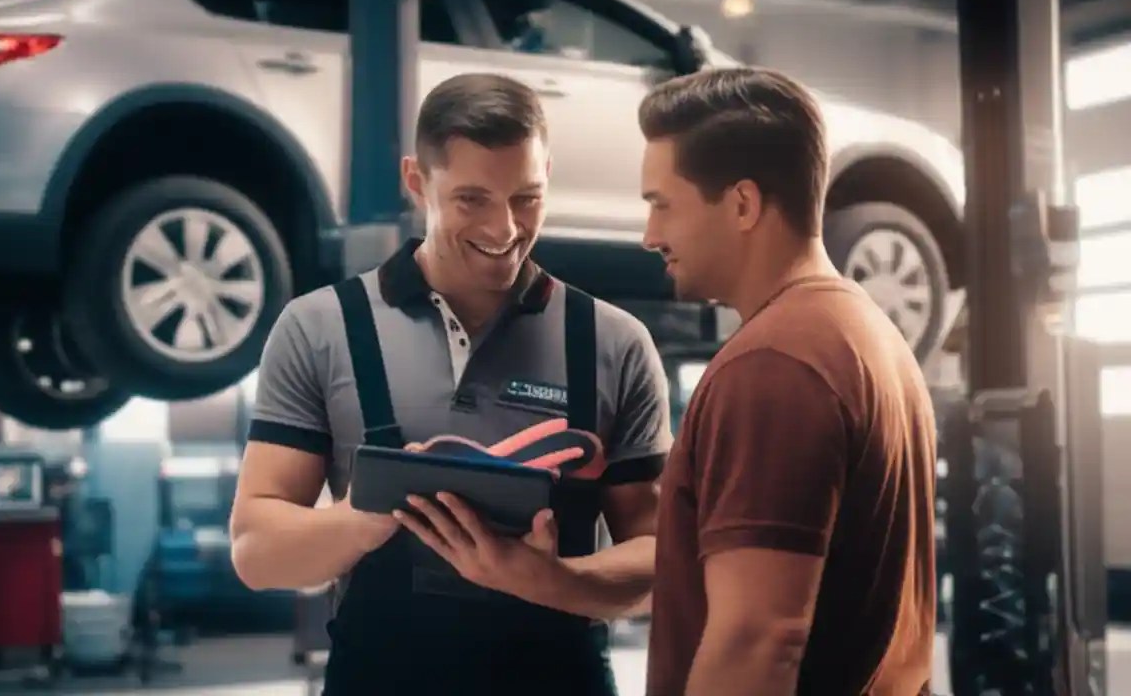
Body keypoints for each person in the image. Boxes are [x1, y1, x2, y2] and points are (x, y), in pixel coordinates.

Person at [230, 72, 672, 695]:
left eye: (526, 198)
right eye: (472, 200)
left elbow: (661, 560)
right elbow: (257, 552)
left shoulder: (612, 342)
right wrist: (368, 518)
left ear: (548, 175)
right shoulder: (320, 329)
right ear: (417, 181)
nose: (504, 229)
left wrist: (549, 581)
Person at [638, 66, 937, 696]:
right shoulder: (870, 336)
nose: (650, 236)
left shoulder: (774, 364)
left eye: (662, 205)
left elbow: (758, 641)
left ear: (742, 204)